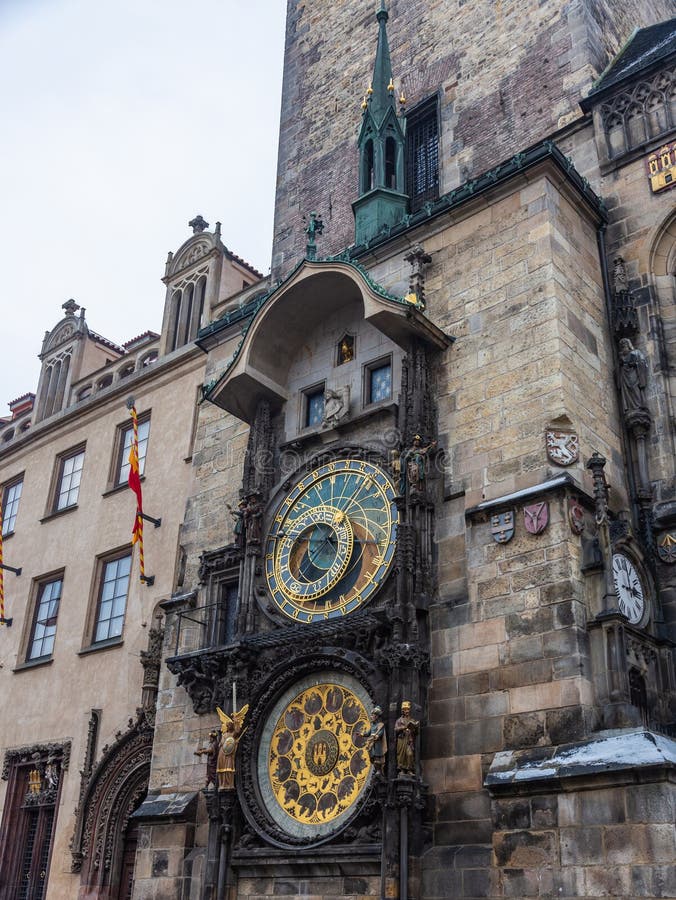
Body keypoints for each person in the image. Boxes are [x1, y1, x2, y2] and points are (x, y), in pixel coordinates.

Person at [618, 338, 649, 415]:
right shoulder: (622, 356)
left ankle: (639, 406)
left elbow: (643, 362)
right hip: (625, 376)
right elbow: (618, 369)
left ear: (629, 345)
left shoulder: (636, 352)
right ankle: (630, 408)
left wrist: (635, 364)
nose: (624, 347)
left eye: (625, 345)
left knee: (635, 389)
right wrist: (621, 364)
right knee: (628, 391)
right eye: (622, 346)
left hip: (634, 374)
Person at [394, 701, 419, 775]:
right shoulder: (399, 720)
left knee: (409, 754)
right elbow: (396, 729)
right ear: (403, 711)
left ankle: (409, 769)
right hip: (401, 739)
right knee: (401, 755)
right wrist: (403, 727)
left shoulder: (412, 720)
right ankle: (401, 769)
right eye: (405, 710)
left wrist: (415, 727)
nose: (407, 711)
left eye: (408, 709)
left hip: (409, 739)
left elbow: (416, 733)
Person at [364, 706, 387, 775]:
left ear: (376, 717)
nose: (371, 717)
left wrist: (377, 736)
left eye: (372, 715)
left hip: (378, 744)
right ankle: (377, 769)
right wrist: (362, 734)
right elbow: (368, 733)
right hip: (372, 744)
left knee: (377, 758)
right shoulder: (373, 726)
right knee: (373, 757)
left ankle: (379, 770)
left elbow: (380, 733)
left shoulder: (380, 725)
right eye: (371, 715)